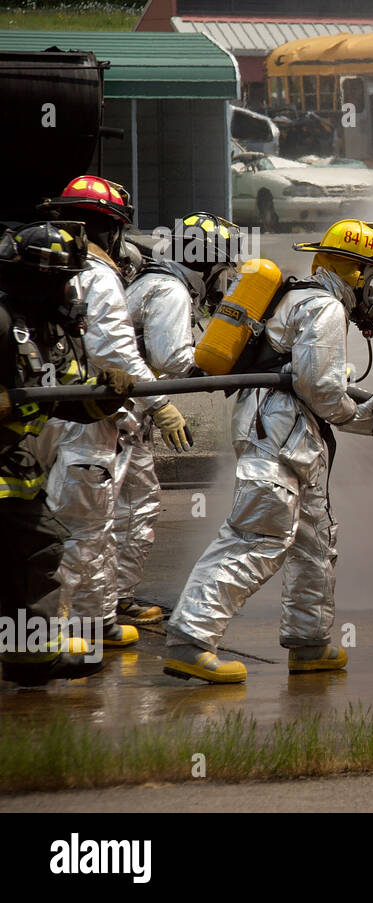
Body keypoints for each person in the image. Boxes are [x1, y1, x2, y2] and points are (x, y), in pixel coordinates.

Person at [165, 219, 373, 684]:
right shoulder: (324, 307)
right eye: (370, 276)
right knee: (258, 538)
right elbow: (323, 391)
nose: (371, 290)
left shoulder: (299, 299)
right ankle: (190, 641)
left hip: (295, 442)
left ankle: (310, 643)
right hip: (279, 442)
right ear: (354, 272)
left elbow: (318, 390)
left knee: (315, 541)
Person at [37, 176, 192, 653]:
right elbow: (117, 354)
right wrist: (161, 405)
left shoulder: (51, 269)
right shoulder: (99, 276)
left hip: (54, 415)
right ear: (110, 230)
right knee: (81, 528)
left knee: (94, 525)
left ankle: (95, 622)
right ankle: (46, 637)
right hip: (88, 423)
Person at [0, 222, 132, 686]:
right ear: (32, 280)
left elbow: (66, 399)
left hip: (13, 470)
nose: (68, 290)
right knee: (30, 551)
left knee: (33, 552)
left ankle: (30, 659)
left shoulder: (50, 329)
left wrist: (107, 396)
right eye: (59, 280)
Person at [112, 212, 237, 624]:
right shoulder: (170, 292)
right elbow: (173, 359)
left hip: (122, 412)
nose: (223, 277)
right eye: (221, 267)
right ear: (205, 263)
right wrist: (224, 365)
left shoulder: (153, 279)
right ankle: (108, 603)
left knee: (123, 505)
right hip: (121, 416)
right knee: (136, 506)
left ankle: (106, 598)